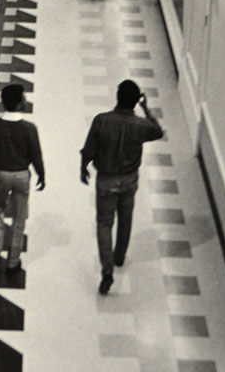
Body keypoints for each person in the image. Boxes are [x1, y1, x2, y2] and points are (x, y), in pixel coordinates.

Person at [80, 79, 164, 294]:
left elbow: (89, 149)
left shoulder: (101, 120)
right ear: (136, 101)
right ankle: (119, 256)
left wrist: (84, 167)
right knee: (125, 219)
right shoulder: (140, 125)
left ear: (117, 97)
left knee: (104, 224)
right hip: (129, 180)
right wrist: (146, 108)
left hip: (106, 181)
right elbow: (158, 131)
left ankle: (107, 271)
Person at [0, 83, 45, 275]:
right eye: (23, 97)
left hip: (1, 174)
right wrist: (42, 174)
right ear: (18, 104)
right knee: (19, 216)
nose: (25, 99)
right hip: (22, 175)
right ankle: (13, 261)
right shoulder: (29, 128)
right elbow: (36, 155)